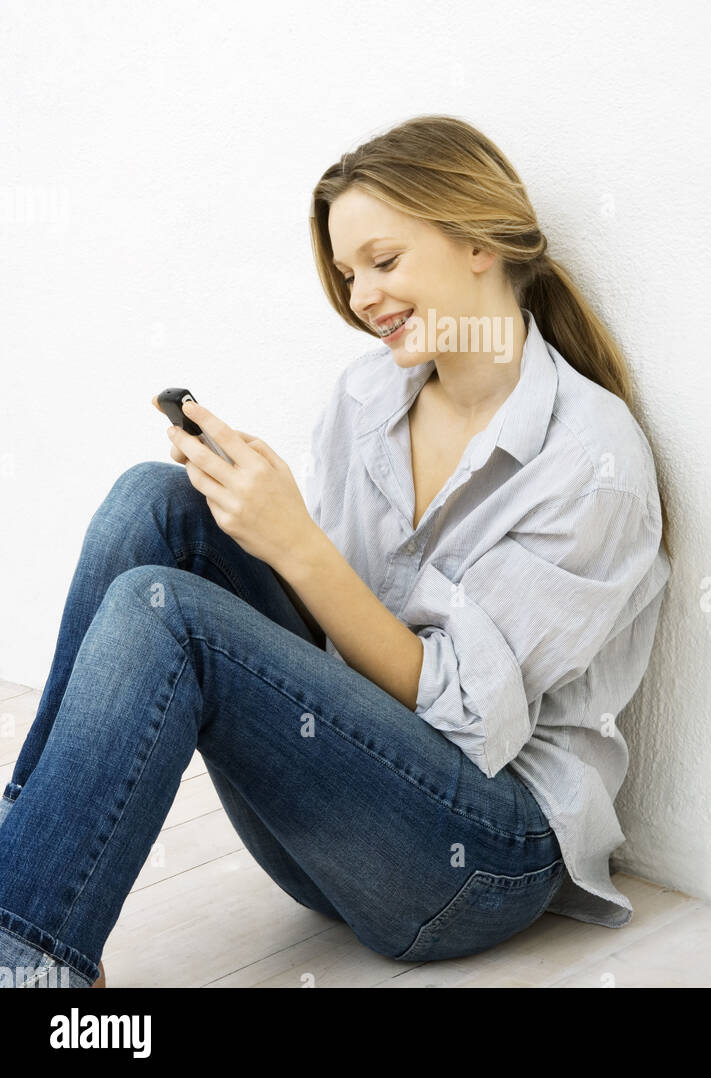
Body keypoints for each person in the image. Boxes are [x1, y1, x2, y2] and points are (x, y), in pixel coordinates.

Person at [0, 114, 670, 987]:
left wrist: (297, 543)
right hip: (344, 826)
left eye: (383, 263)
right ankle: (22, 880)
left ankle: (27, 960)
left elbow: (472, 728)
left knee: (165, 616)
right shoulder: (366, 397)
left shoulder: (591, 461)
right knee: (155, 502)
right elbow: (333, 660)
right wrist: (262, 524)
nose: (360, 298)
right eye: (349, 274)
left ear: (478, 241)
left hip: (478, 858)